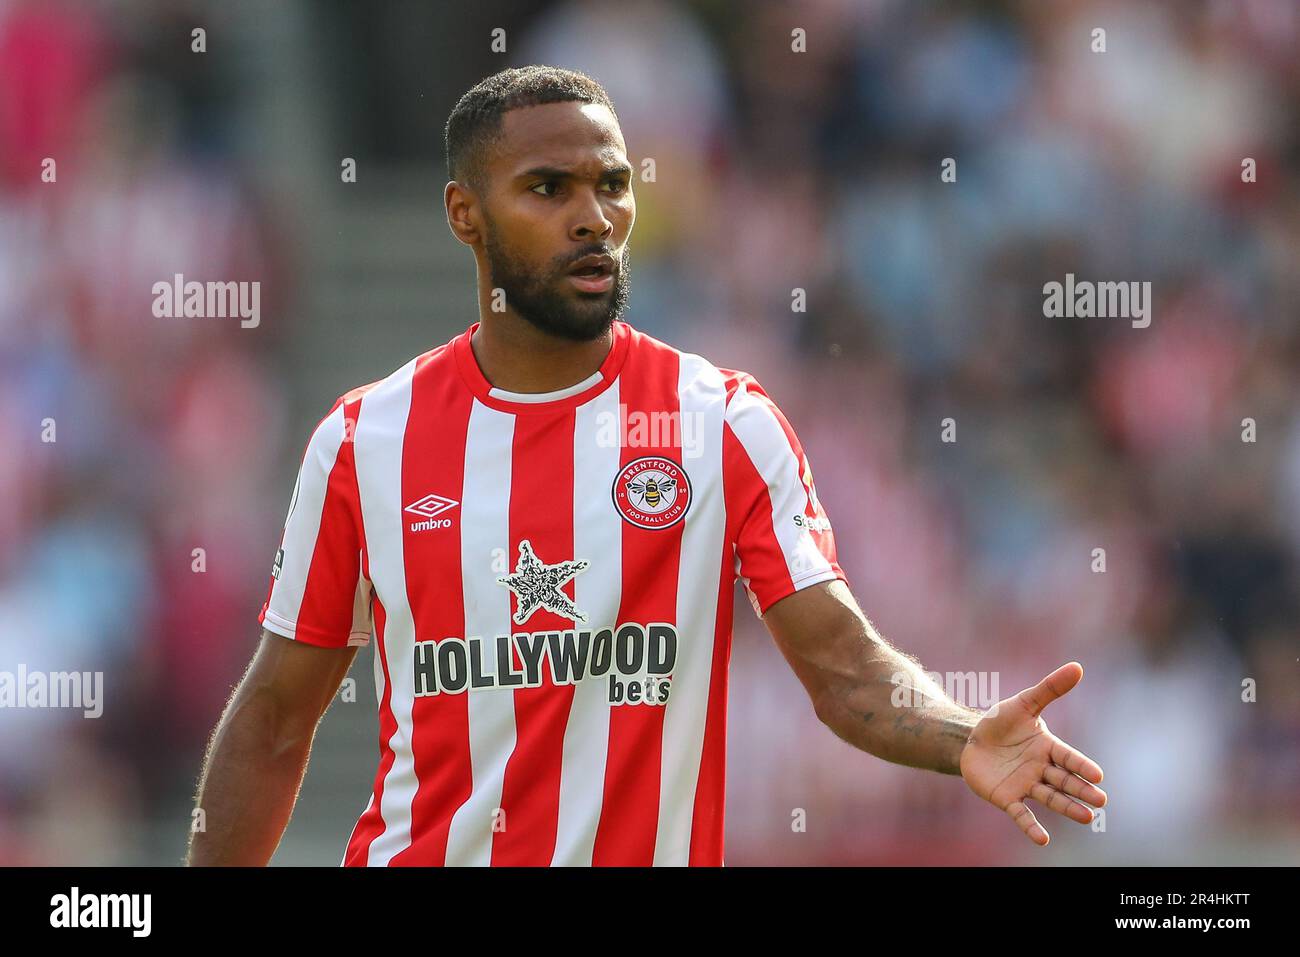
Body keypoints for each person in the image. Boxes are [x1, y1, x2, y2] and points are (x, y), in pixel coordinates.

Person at [187, 65, 1105, 867]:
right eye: (548, 189)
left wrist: (960, 737)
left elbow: (846, 669)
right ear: (465, 214)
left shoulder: (720, 424)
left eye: (612, 184)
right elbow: (273, 719)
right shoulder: (363, 439)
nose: (593, 217)